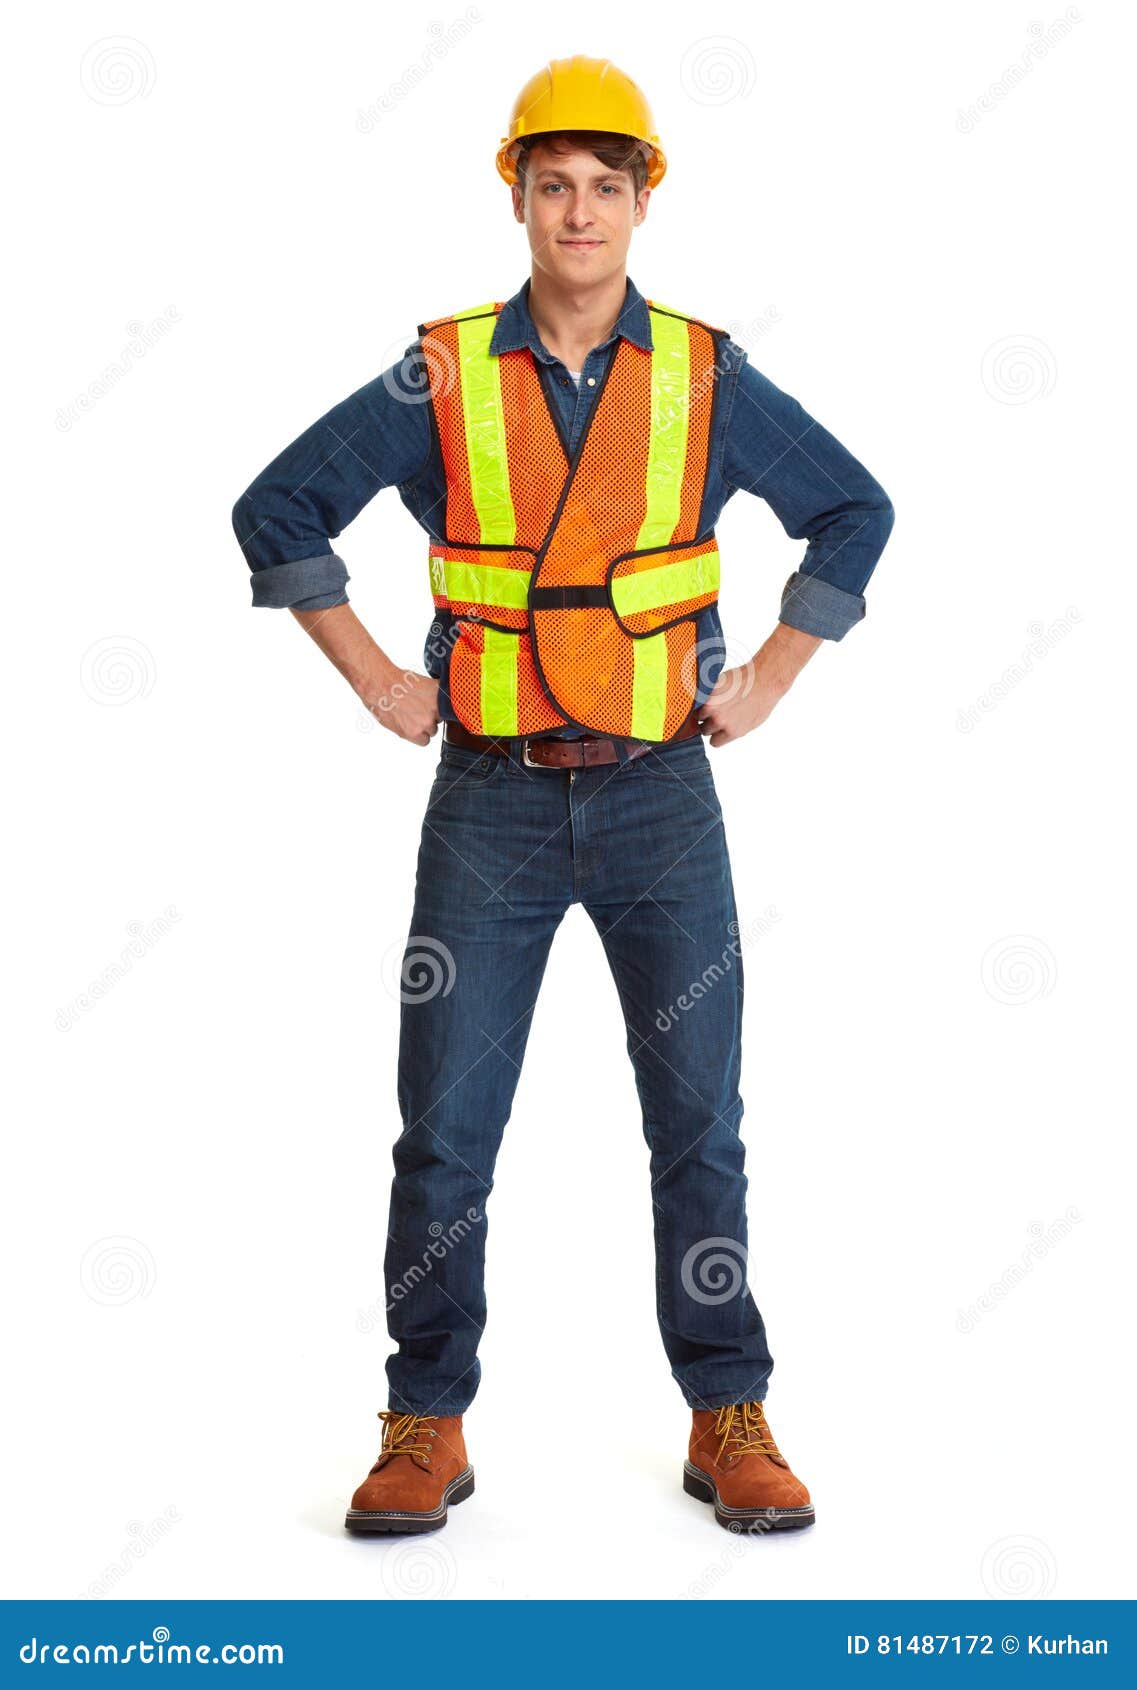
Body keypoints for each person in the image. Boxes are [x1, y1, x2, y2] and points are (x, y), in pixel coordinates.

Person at [232, 54, 895, 1538]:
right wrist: (375, 682)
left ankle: (728, 1410)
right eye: (553, 186)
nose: (578, 212)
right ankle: (424, 1418)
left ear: (644, 198)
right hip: (489, 797)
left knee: (698, 1118)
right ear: (515, 196)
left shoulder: (706, 376)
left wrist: (774, 676)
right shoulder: (443, 373)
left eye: (605, 187)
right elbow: (273, 504)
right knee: (444, 1128)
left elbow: (857, 506)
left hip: (664, 795)